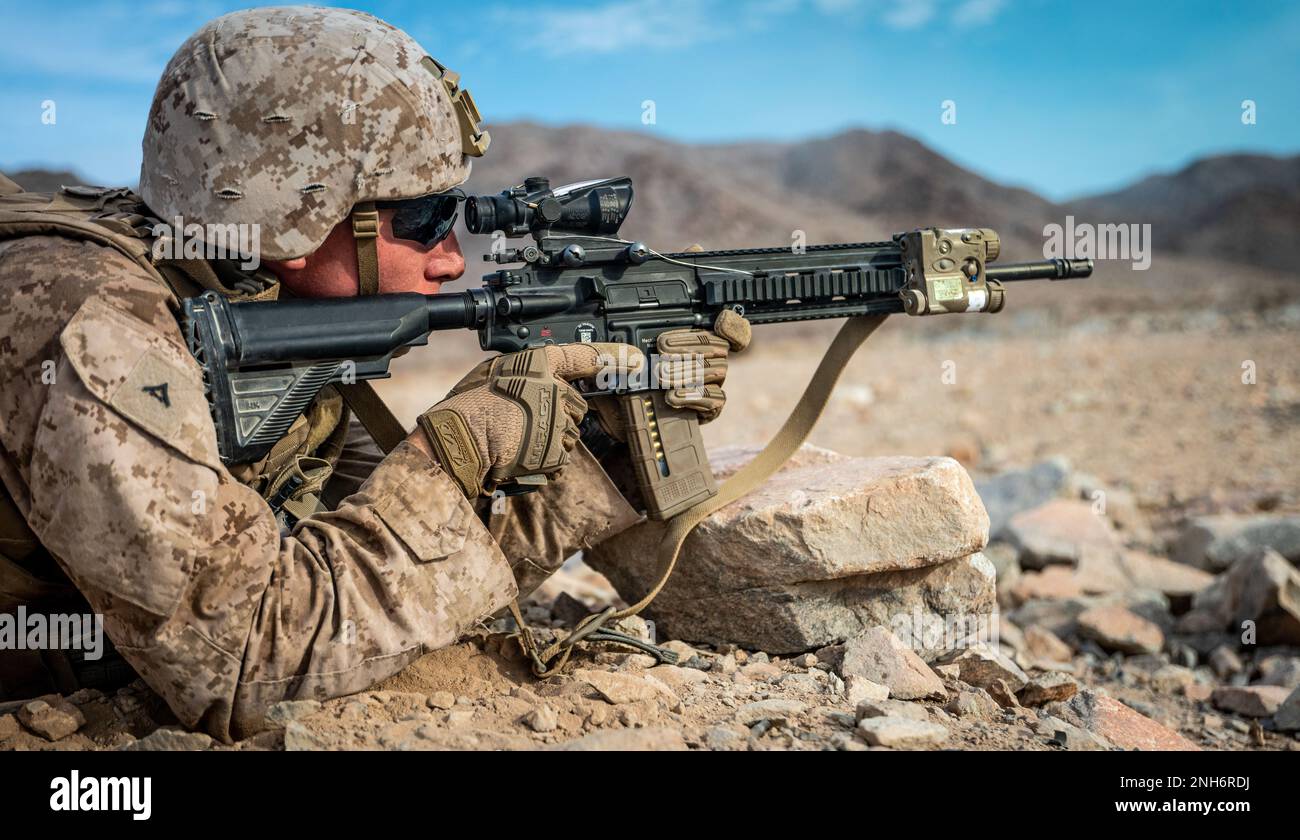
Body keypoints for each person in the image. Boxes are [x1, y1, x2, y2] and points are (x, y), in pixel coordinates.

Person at [0, 6, 748, 741]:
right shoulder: (93, 327)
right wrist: (454, 456)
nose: (454, 258)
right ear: (293, 217)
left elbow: (380, 598)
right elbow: (250, 662)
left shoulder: (242, 300)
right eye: (425, 218)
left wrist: (594, 436)